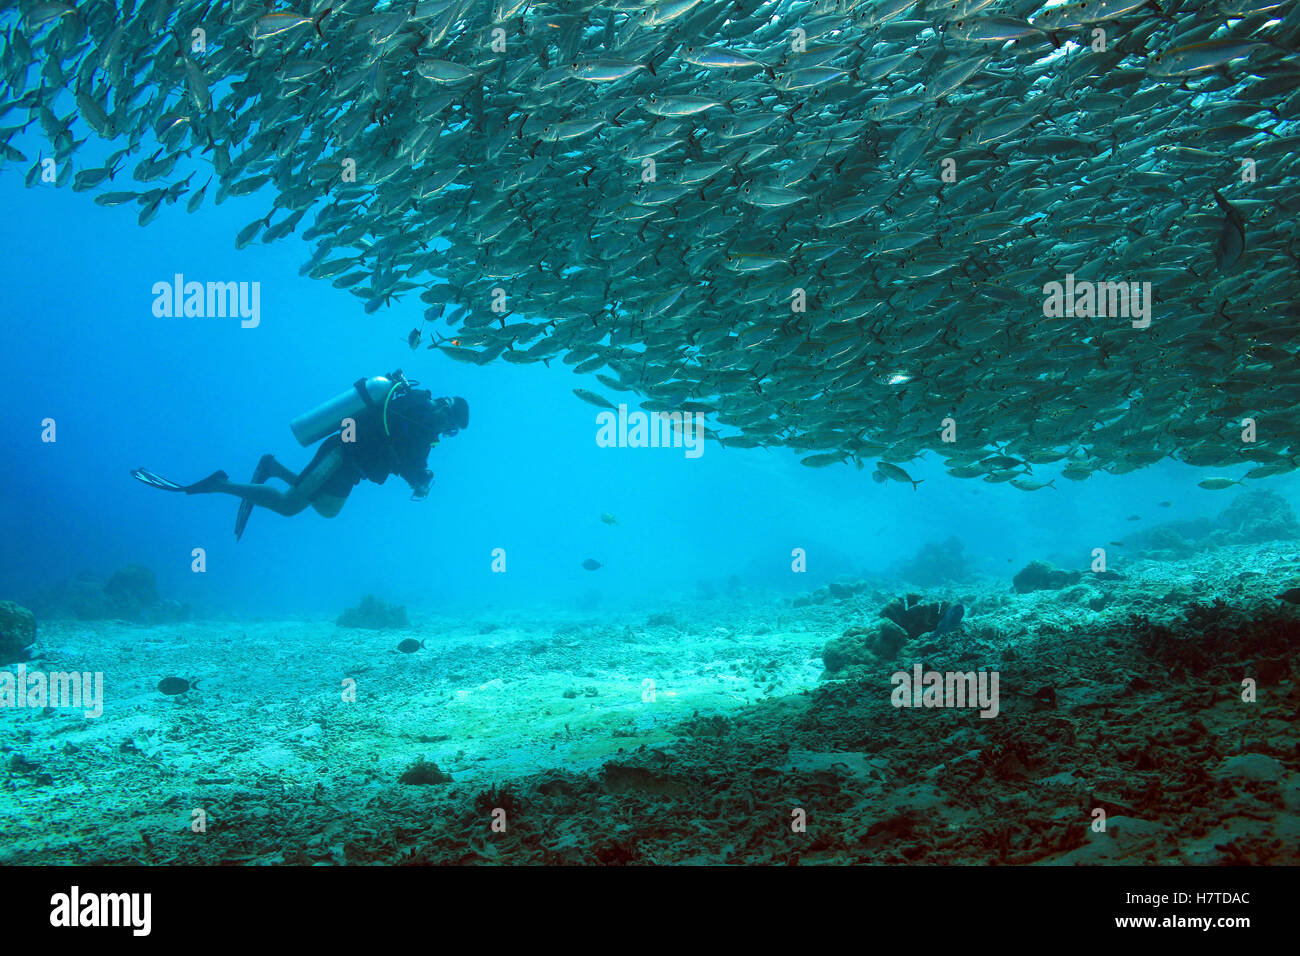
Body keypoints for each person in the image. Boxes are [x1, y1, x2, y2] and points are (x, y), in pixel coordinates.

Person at [131, 372, 468, 540]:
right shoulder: (419, 417)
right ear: (447, 416)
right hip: (340, 454)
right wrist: (422, 482)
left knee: (326, 510)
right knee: (290, 505)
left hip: (352, 468)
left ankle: (272, 467)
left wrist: (419, 475)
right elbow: (411, 462)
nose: (444, 427)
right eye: (449, 424)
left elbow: (404, 455)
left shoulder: (416, 412)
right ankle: (220, 484)